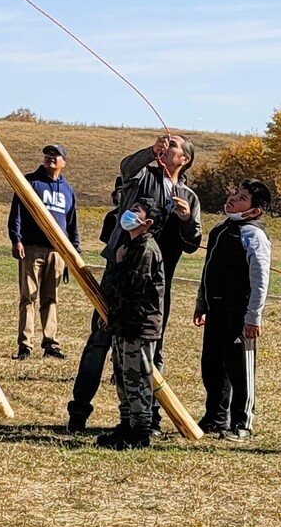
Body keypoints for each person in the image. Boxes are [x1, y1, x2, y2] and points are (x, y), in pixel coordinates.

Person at [68, 134, 201, 430]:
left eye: (174, 145)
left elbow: (193, 242)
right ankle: (78, 411)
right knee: (101, 337)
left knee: (153, 343)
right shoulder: (144, 176)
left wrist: (186, 219)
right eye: (165, 143)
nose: (168, 146)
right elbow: (127, 168)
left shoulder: (189, 197)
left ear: (185, 159)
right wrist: (150, 152)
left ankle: (148, 416)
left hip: (158, 281)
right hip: (120, 269)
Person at [194, 178, 271, 441]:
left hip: (240, 313)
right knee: (212, 365)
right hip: (216, 309)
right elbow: (208, 271)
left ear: (254, 210)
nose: (233, 199)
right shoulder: (219, 231)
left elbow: (260, 279)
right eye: (234, 194)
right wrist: (201, 303)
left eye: (241, 198)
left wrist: (253, 316)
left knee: (240, 369)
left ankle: (242, 423)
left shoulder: (254, 235)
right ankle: (215, 417)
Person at [98, 202, 166, 450]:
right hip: (122, 323)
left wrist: (117, 265)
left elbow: (132, 287)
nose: (130, 213)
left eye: (137, 211)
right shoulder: (129, 246)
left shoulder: (146, 249)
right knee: (123, 378)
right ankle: (126, 424)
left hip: (139, 325)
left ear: (148, 223)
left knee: (137, 379)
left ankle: (140, 430)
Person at [7, 144, 80, 360]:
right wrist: (16, 239)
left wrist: (74, 252)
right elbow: (17, 211)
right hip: (32, 248)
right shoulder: (31, 182)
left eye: (55, 155)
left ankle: (50, 344)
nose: (50, 157)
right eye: (48, 154)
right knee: (28, 297)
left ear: (63, 163)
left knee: (51, 298)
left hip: (57, 252)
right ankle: (25, 345)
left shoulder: (67, 190)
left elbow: (72, 223)